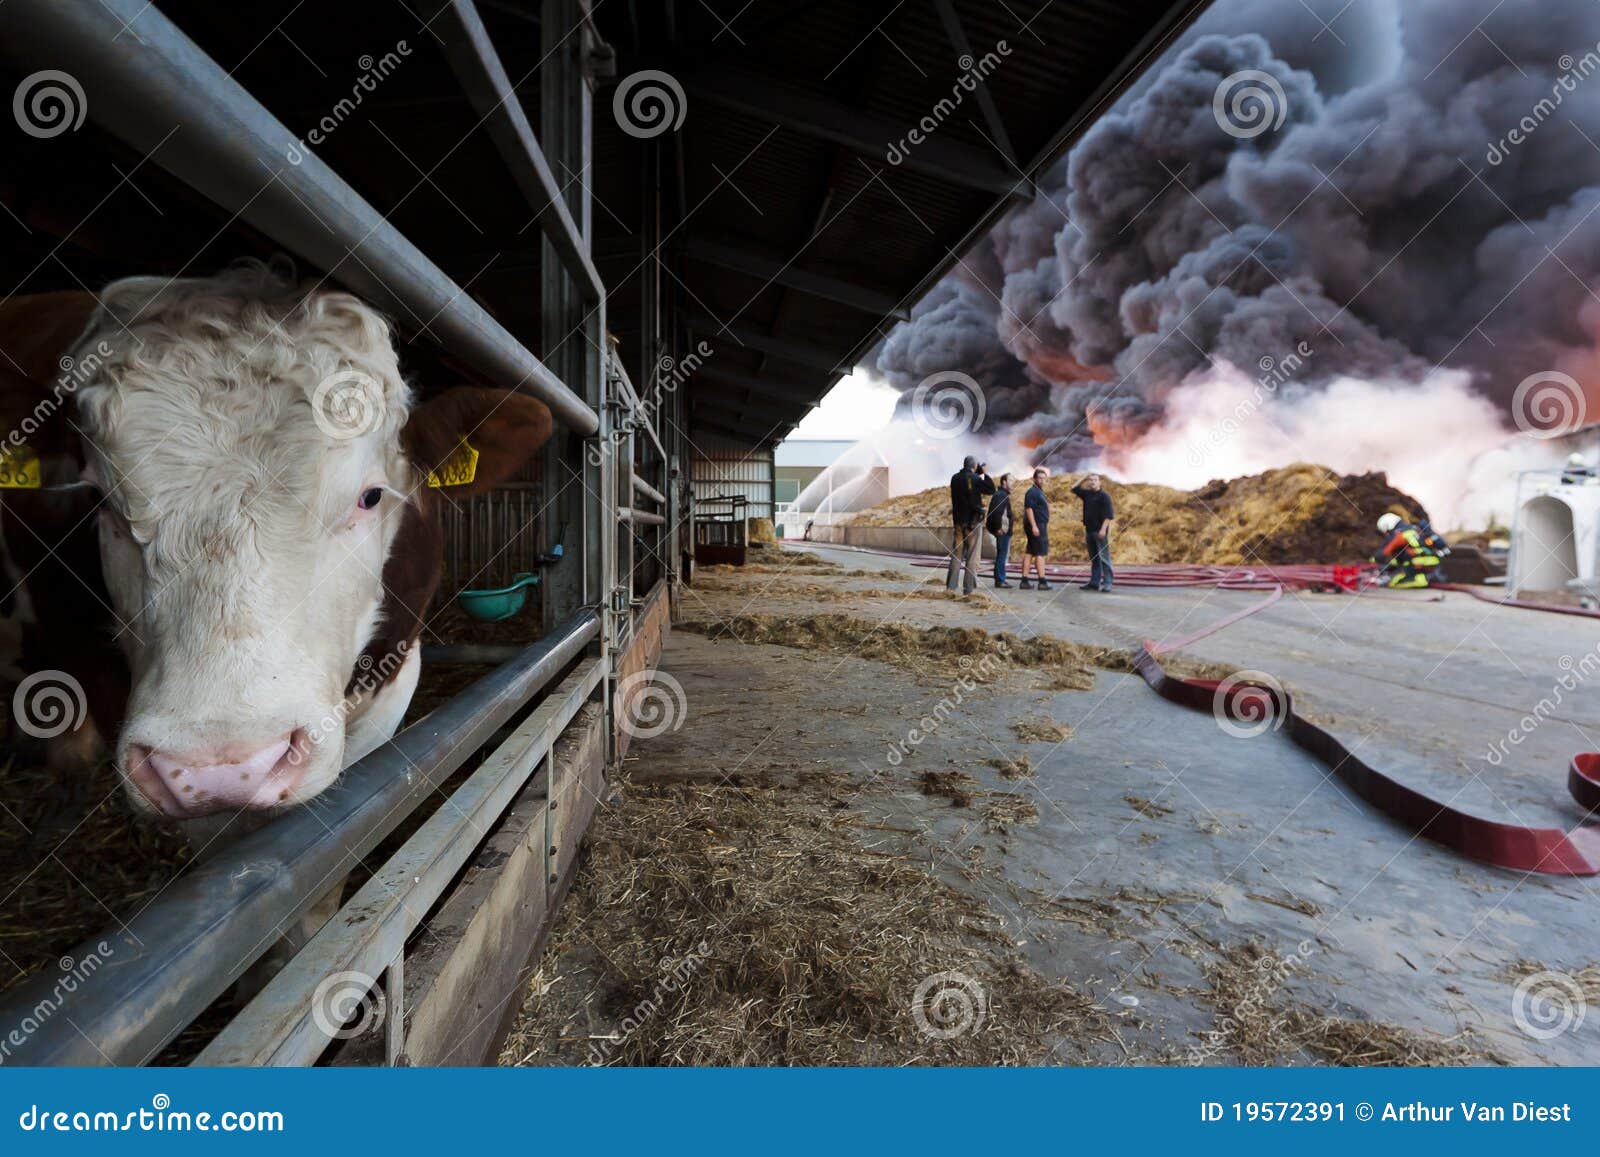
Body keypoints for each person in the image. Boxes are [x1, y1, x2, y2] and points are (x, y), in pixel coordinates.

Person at [946, 455, 995, 595]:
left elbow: (965, 491)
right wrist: (984, 473)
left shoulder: (954, 478)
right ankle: (969, 588)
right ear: (974, 466)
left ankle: (950, 587)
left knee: (956, 555)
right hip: (973, 522)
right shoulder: (975, 479)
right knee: (972, 556)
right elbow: (991, 489)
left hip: (958, 522)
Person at [1373, 511, 1443, 588]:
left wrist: (1374, 559)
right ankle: (1424, 577)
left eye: (1386, 532)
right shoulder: (1415, 528)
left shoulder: (1398, 534)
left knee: (1393, 583)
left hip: (1418, 563)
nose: (1386, 534)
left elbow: (1384, 553)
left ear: (1387, 526)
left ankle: (1418, 579)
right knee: (1398, 562)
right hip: (1432, 562)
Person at [1071, 472, 1115, 592]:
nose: (1092, 482)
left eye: (1095, 480)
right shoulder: (1087, 494)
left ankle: (1107, 583)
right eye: (1090, 480)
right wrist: (1084, 477)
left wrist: (1103, 530)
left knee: (1104, 558)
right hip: (1089, 530)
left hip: (1100, 531)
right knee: (1094, 559)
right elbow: (1073, 488)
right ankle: (1094, 582)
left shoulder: (1104, 496)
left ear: (1099, 482)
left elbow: (1108, 516)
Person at [1019, 466, 1052, 590]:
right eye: (1040, 478)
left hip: (1037, 525)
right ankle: (1042, 581)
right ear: (1034, 478)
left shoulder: (1038, 491)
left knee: (1030, 552)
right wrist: (1034, 526)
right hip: (1037, 526)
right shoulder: (1032, 492)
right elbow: (1029, 509)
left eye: (1044, 478)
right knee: (1040, 553)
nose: (1042, 480)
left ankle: (1024, 580)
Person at [986, 474, 1014, 588]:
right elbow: (997, 512)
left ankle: (1000, 579)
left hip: (1003, 529)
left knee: (1002, 555)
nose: (1013, 483)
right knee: (1002, 555)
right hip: (1002, 530)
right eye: (1011, 480)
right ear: (1004, 482)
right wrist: (998, 528)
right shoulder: (1002, 495)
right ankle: (1000, 580)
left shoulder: (1001, 494)